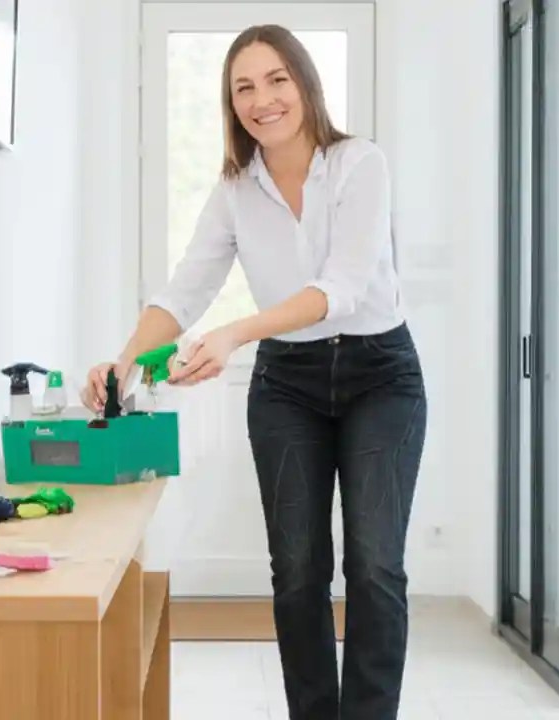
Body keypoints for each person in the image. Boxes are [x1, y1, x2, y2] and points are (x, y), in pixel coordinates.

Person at [80, 24, 426, 720]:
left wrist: (235, 332)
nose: (262, 99)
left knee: (375, 566)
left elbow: (344, 287)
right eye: (244, 87)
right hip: (287, 386)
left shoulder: (360, 165)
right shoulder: (236, 189)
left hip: (379, 375)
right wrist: (120, 369)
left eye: (276, 80)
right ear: (231, 104)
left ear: (304, 83)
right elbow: (184, 291)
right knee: (297, 570)